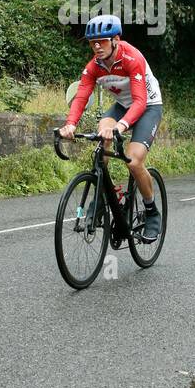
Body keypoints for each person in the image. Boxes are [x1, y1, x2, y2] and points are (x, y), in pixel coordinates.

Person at [58, 14, 165, 242]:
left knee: (134, 160)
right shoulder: (94, 67)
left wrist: (121, 126)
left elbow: (139, 102)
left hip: (147, 106)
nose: (97, 46)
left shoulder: (131, 58)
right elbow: (81, 96)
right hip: (123, 106)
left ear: (116, 38)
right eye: (92, 42)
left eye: (103, 41)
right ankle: (100, 198)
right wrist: (70, 124)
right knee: (101, 134)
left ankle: (151, 210)